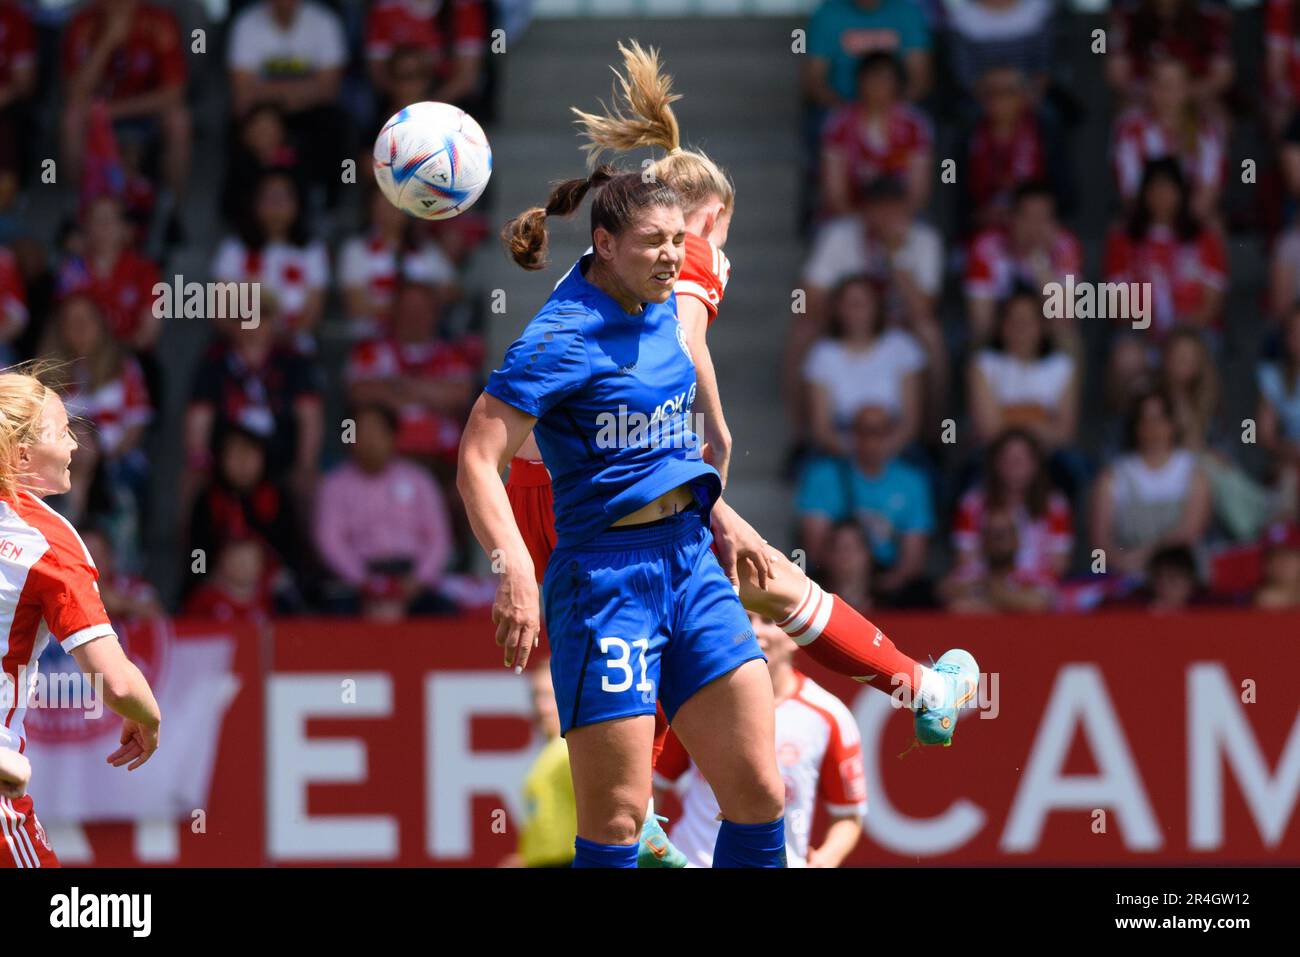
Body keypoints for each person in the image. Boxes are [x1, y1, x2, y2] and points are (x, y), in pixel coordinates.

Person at [460, 168, 790, 868]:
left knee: (759, 789)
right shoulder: (560, 336)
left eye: (677, 240)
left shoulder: (663, 298)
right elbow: (475, 459)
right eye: (653, 242)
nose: (673, 255)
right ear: (604, 244)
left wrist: (714, 507)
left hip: (692, 561)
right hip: (606, 584)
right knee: (616, 820)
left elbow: (668, 439)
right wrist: (515, 565)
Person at [0, 367, 162, 867]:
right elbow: (115, 683)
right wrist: (147, 717)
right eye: (62, 429)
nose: (74, 443)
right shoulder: (46, 541)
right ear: (21, 453)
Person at [655, 613, 866, 868]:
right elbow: (655, 783)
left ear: (794, 636)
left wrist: (825, 860)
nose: (755, 630)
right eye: (744, 617)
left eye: (768, 620)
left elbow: (849, 814)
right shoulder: (697, 700)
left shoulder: (828, 715)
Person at [501, 663, 578, 868]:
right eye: (535, 697)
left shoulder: (569, 752)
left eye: (548, 696)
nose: (540, 707)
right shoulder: (550, 754)